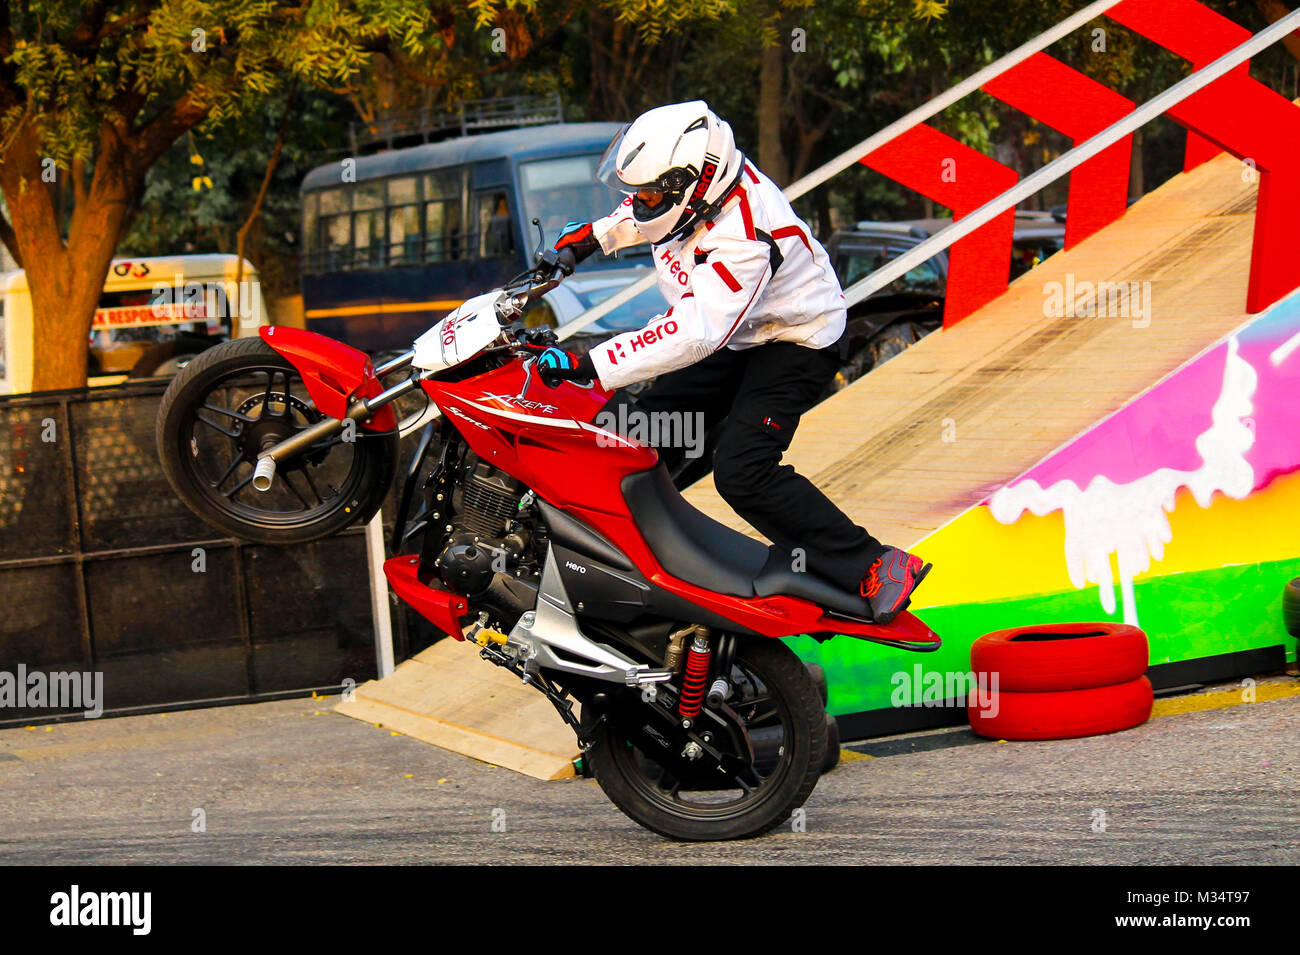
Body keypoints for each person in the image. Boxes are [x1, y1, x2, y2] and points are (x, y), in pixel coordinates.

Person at [535, 101, 929, 624]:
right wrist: (590, 239)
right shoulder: (700, 192)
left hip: (796, 340)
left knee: (742, 469)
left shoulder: (745, 235)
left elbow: (694, 334)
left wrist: (590, 364)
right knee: (631, 431)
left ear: (696, 186)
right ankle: (624, 549)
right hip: (738, 332)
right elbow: (646, 212)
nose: (640, 204)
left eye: (650, 194)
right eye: (639, 194)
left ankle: (877, 564)